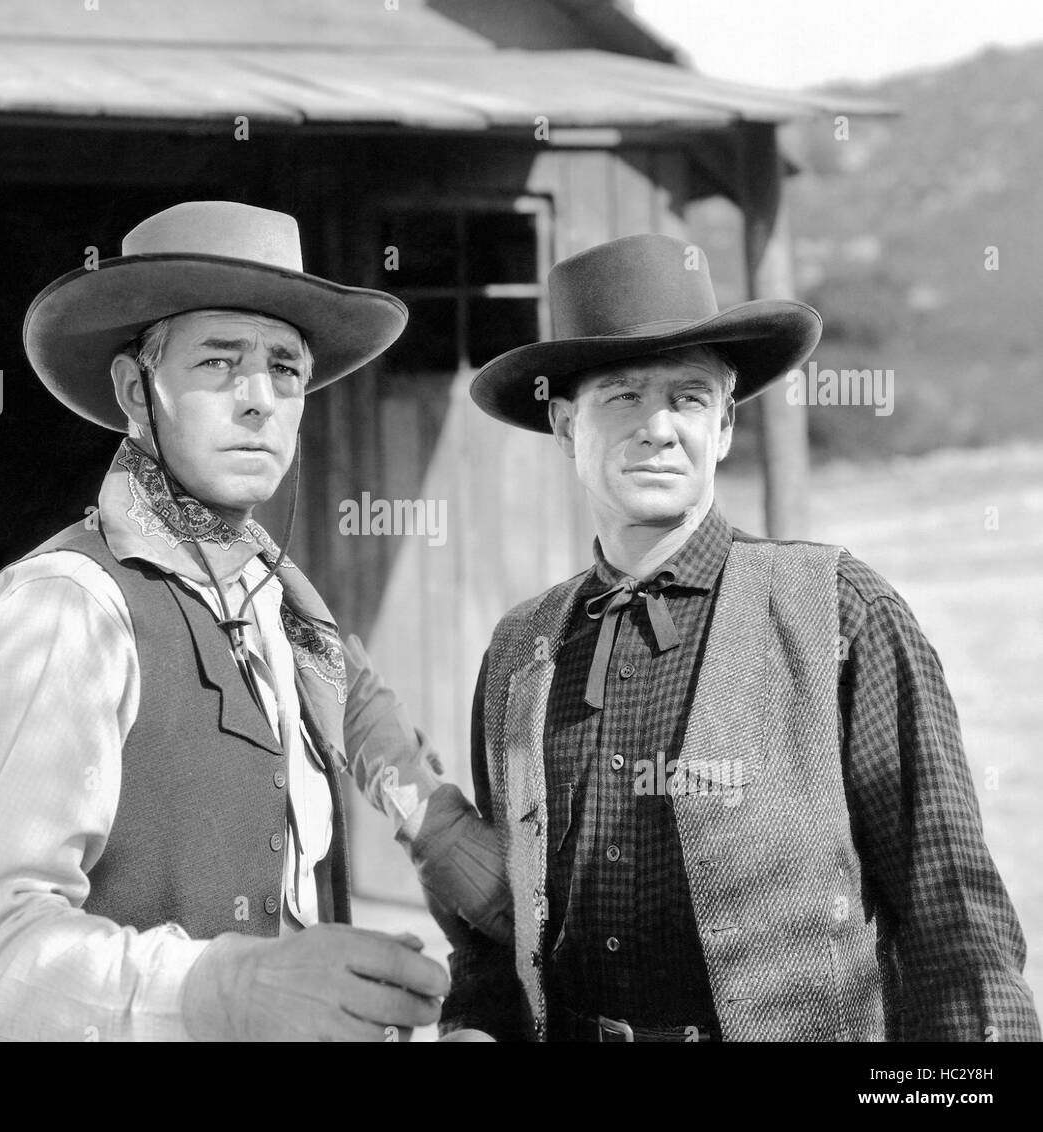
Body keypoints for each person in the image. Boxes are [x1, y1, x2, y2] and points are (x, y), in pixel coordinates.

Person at [440, 233, 1040, 1042]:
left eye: (688, 398)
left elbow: (953, 918)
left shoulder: (839, 612)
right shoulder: (521, 651)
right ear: (564, 424)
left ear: (724, 425)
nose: (658, 428)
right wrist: (470, 1025)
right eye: (622, 396)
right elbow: (499, 929)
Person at [0, 201, 509, 1042]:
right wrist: (229, 988)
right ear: (136, 391)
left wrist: (442, 833)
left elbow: (360, 711)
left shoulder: (278, 605)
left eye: (285, 368)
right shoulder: (67, 609)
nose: (259, 400)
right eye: (219, 361)